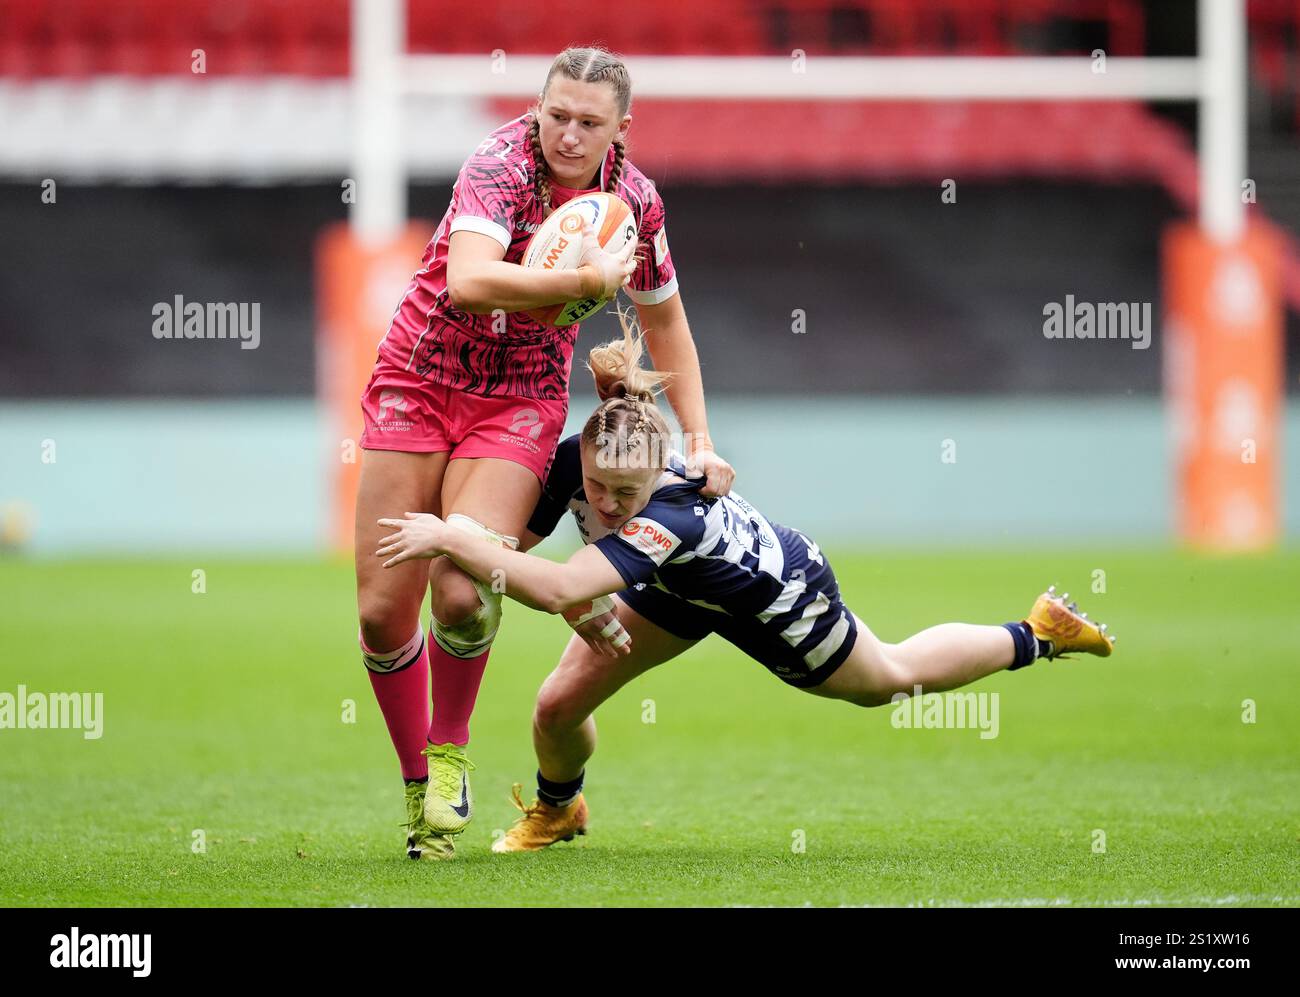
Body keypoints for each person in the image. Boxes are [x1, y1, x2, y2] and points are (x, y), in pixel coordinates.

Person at [374, 312, 1117, 853]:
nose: (605, 503)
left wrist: (451, 535)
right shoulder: (585, 454)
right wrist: (550, 590)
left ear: (654, 480)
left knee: (885, 678)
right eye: (598, 488)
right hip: (670, 593)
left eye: (623, 498)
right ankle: (559, 809)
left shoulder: (672, 511)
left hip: (771, 593)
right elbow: (531, 562)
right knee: (556, 706)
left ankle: (1036, 634)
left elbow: (561, 584)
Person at [354, 46, 735, 861]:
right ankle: (415, 778)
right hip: (417, 378)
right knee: (382, 613)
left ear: (620, 128)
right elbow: (467, 281)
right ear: (538, 107)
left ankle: (448, 752)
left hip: (519, 395)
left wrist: (700, 440)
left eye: (588, 122)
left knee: (460, 587)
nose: (566, 133)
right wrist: (586, 280)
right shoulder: (498, 164)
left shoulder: (635, 202)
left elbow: (666, 323)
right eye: (555, 114)